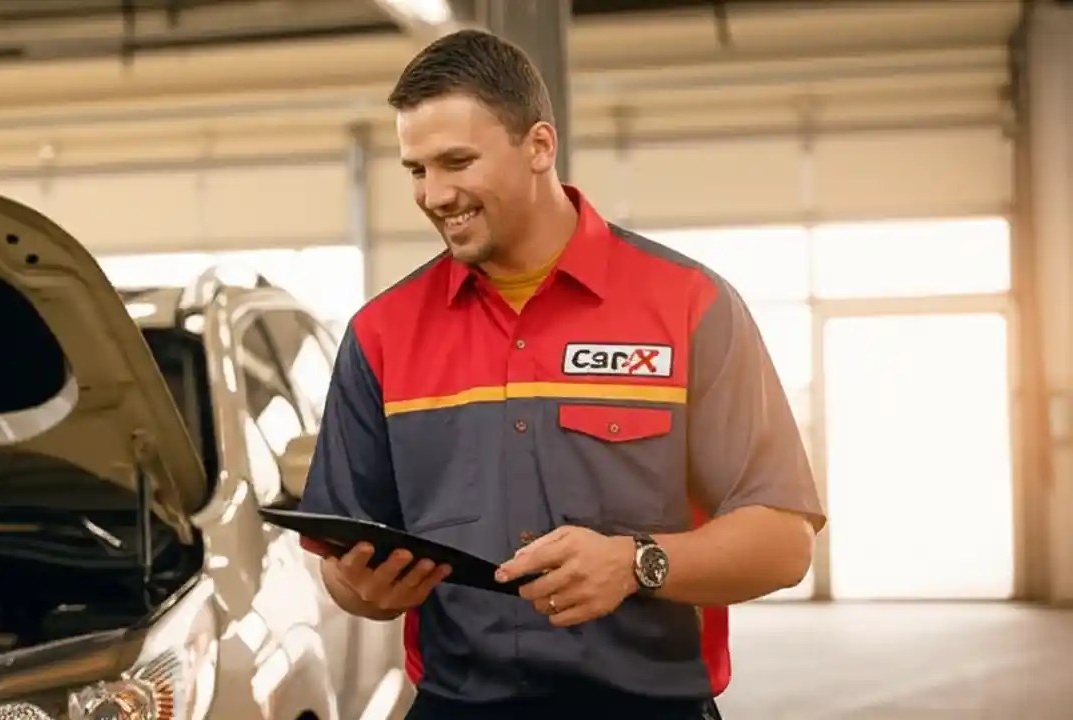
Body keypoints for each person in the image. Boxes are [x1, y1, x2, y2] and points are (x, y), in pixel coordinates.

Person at [295, 28, 826, 719]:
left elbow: (784, 544)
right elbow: (346, 571)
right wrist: (361, 591)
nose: (434, 193)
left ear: (540, 146)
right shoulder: (380, 335)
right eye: (416, 170)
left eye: (457, 161)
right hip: (456, 706)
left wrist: (636, 564)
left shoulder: (691, 306)